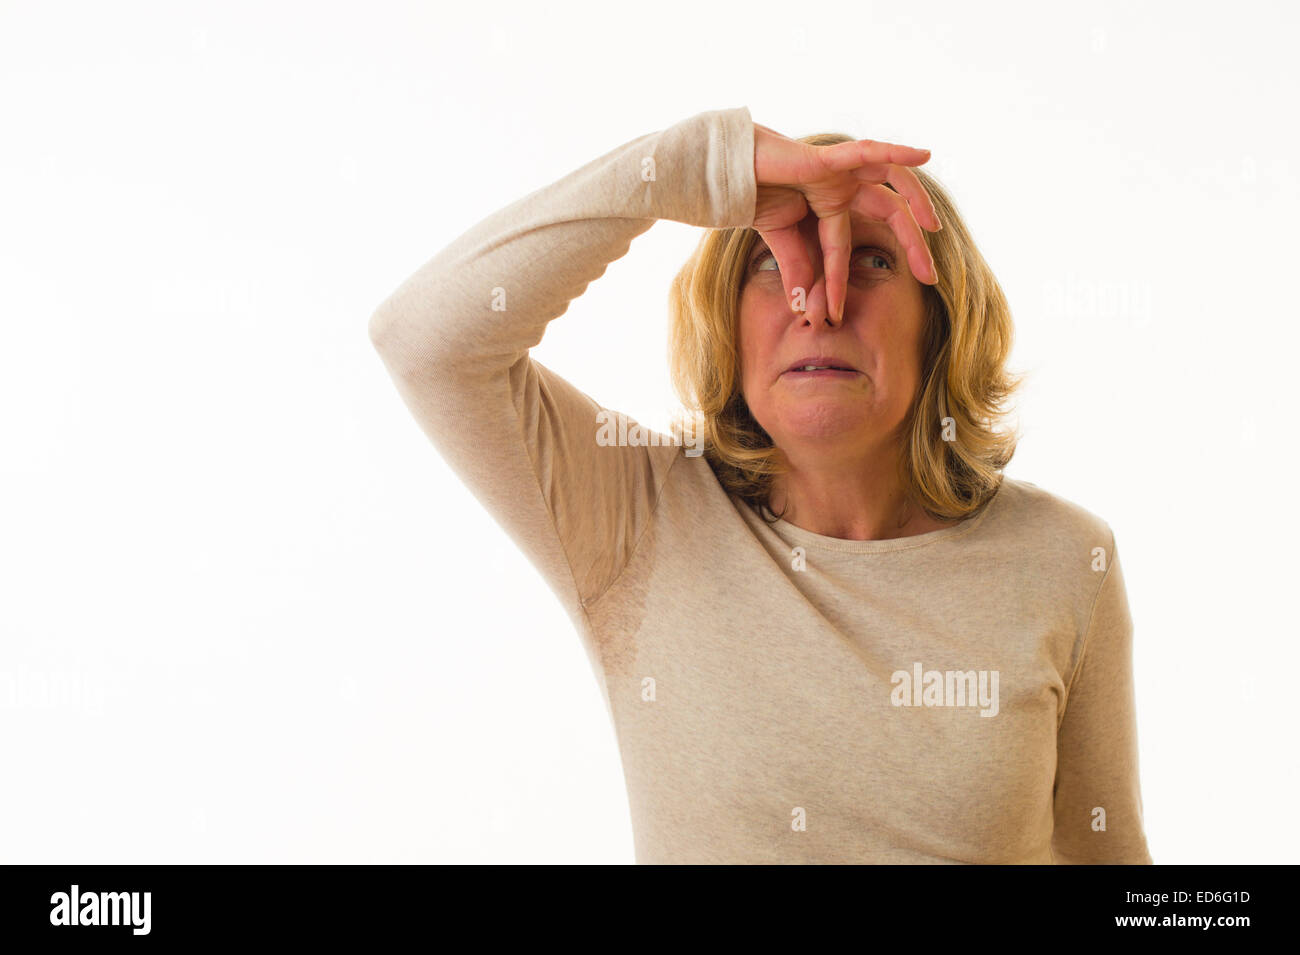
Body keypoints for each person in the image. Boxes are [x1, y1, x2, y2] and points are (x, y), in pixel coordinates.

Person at [367, 106, 1153, 864]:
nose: (819, 300)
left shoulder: (1064, 559)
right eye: (771, 266)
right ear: (729, 327)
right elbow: (422, 340)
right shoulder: (638, 518)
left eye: (872, 259)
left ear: (939, 324)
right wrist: (686, 168)